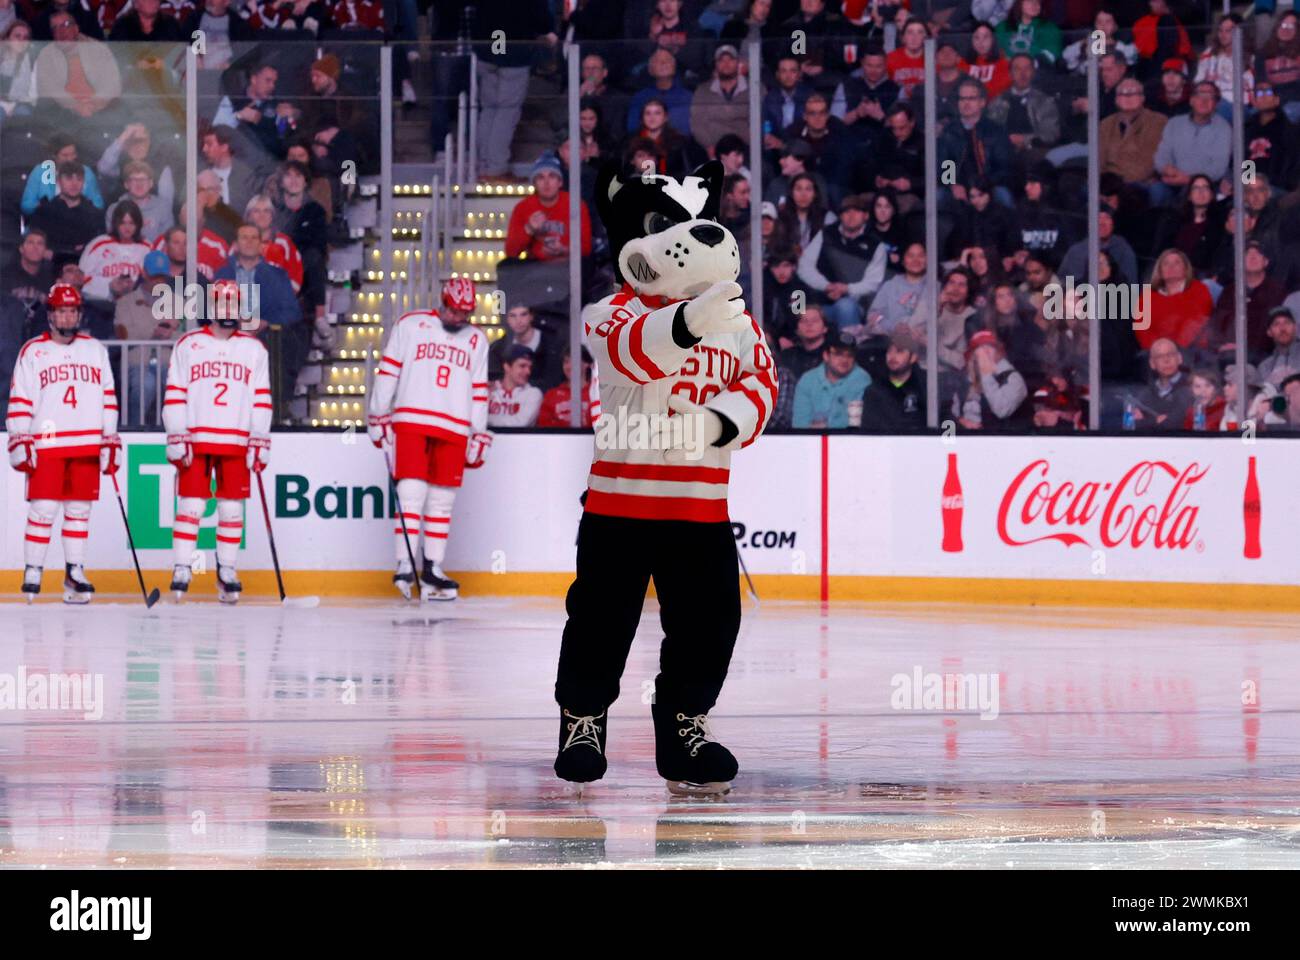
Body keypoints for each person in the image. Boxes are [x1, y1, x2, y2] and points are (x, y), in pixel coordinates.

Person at [367, 278, 489, 601]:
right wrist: (378, 412)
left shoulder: (477, 340)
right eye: (453, 310)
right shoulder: (411, 324)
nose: (458, 318)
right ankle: (404, 563)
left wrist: (479, 430)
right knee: (411, 491)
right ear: (442, 302)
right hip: (411, 419)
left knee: (442, 498)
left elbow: (479, 389)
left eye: (465, 313)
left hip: (455, 426)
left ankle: (433, 566)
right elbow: (389, 370)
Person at [5, 282, 118, 602]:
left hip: (85, 442)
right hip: (47, 444)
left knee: (79, 510)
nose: (68, 317)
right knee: (43, 509)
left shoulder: (95, 349)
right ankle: (33, 570)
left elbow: (108, 397)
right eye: (61, 311)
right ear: (51, 314)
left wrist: (109, 436)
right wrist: (20, 436)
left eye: (72, 311)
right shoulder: (33, 351)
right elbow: (21, 399)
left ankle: (74, 571)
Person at [162, 280, 271, 603]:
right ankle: (183, 567)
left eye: (233, 305)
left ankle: (227, 569)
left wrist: (260, 438)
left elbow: (260, 398)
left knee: (231, 508)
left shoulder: (253, 349)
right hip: (196, 438)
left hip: (235, 439)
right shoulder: (188, 344)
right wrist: (176, 432)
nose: (228, 311)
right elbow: (175, 393)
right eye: (222, 305)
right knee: (192, 505)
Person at [797, 193, 889, 331]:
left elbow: (873, 283)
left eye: (857, 211)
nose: (851, 215)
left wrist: (846, 289)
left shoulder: (875, 244)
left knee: (845, 306)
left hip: (855, 306)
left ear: (866, 216)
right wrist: (826, 286)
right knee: (799, 307)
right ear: (840, 215)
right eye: (846, 211)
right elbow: (804, 266)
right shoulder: (826, 234)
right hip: (819, 302)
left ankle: (846, 350)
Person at [505, 153, 593, 261]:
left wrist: (564, 250)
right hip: (536, 267)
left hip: (569, 265)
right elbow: (511, 251)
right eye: (541, 177)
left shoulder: (576, 205)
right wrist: (529, 229)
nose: (546, 183)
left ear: (560, 182)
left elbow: (586, 248)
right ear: (535, 184)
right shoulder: (523, 207)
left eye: (552, 176)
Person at [951, 329, 1030, 431]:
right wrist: (960, 421)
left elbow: (1002, 410)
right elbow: (953, 413)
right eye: (980, 348)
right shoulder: (965, 380)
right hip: (967, 438)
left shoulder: (1013, 379)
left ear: (999, 352)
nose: (985, 352)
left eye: (990, 347)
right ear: (973, 356)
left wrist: (987, 374)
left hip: (999, 440)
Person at [792, 330, 871, 428]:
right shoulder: (808, 380)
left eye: (850, 355)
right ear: (826, 356)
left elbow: (855, 424)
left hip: (849, 441)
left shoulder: (862, 380)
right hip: (809, 442)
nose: (845, 360)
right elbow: (799, 425)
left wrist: (821, 426)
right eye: (838, 353)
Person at [860, 326, 926, 431]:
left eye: (899, 351)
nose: (892, 356)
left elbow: (945, 421)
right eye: (889, 351)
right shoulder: (874, 391)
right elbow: (869, 431)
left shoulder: (925, 387)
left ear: (913, 357)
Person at [488, 345, 542, 427]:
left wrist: (485, 419)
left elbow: (519, 424)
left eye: (529, 367)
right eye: (522, 366)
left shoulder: (533, 393)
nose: (528, 372)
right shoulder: (487, 389)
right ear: (507, 367)